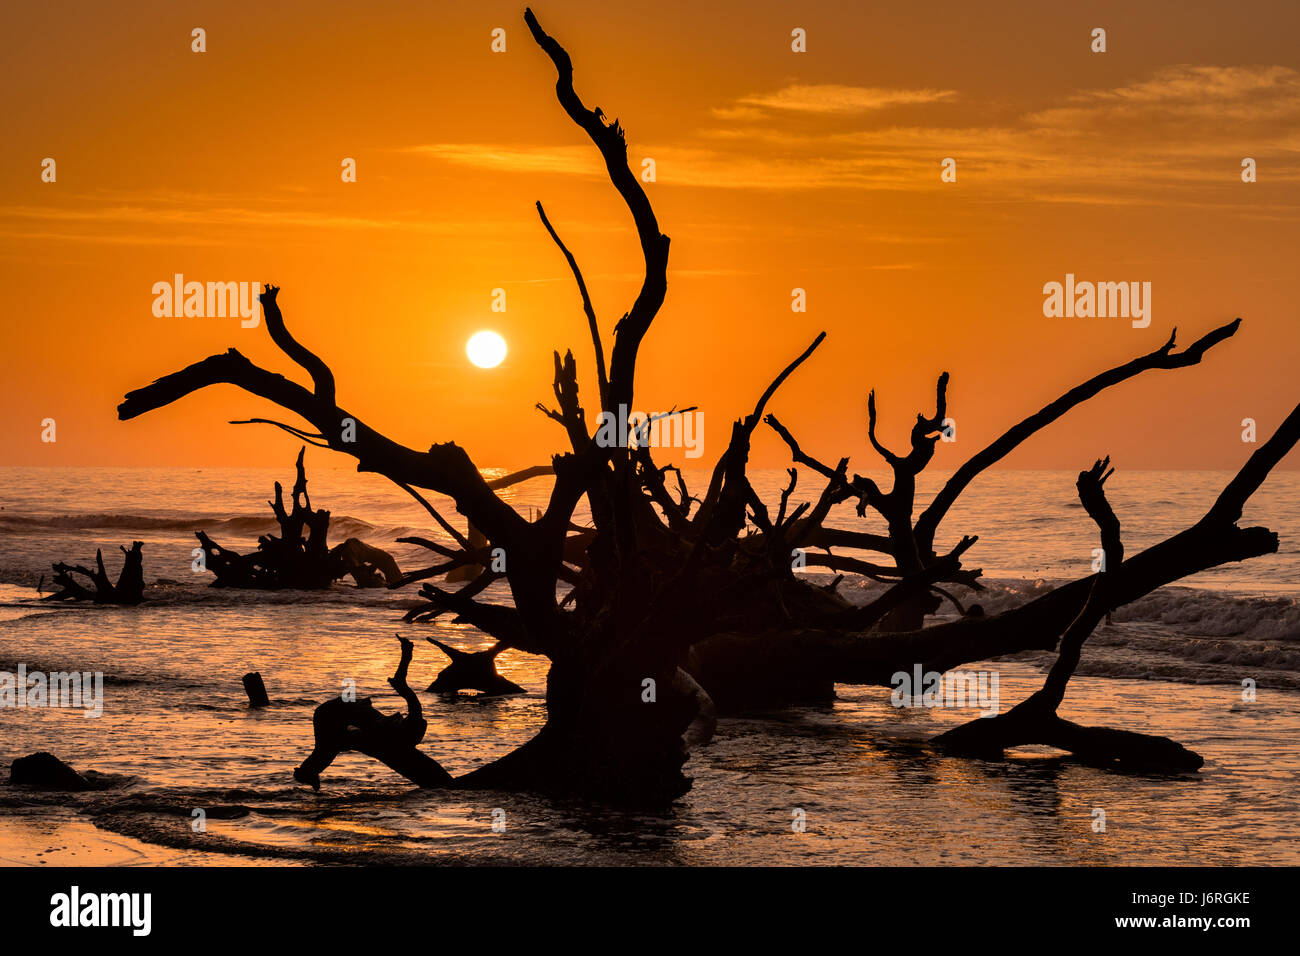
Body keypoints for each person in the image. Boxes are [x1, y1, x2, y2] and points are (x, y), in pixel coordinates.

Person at [293, 634, 428, 790]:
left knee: (326, 751)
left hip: (334, 713)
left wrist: (406, 655)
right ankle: (307, 775)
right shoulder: (386, 729)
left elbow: (402, 685)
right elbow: (401, 685)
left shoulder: (388, 729)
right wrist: (406, 655)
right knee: (326, 751)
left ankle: (308, 775)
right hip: (334, 713)